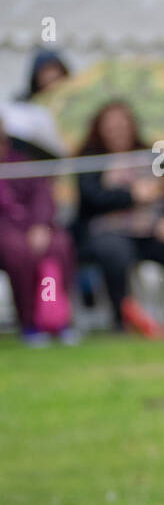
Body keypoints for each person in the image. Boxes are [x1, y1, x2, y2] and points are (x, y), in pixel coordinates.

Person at [75, 101, 164, 335]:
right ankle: (121, 322)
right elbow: (89, 201)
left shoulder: (154, 155)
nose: (118, 132)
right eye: (111, 127)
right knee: (113, 253)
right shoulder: (90, 159)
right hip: (111, 232)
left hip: (153, 231)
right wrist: (130, 195)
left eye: (123, 125)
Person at [0, 112, 78, 345]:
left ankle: (56, 318)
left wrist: (40, 225)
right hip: (6, 232)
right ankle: (30, 322)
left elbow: (43, 196)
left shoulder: (23, 163)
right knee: (17, 251)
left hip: (36, 227)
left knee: (58, 245)